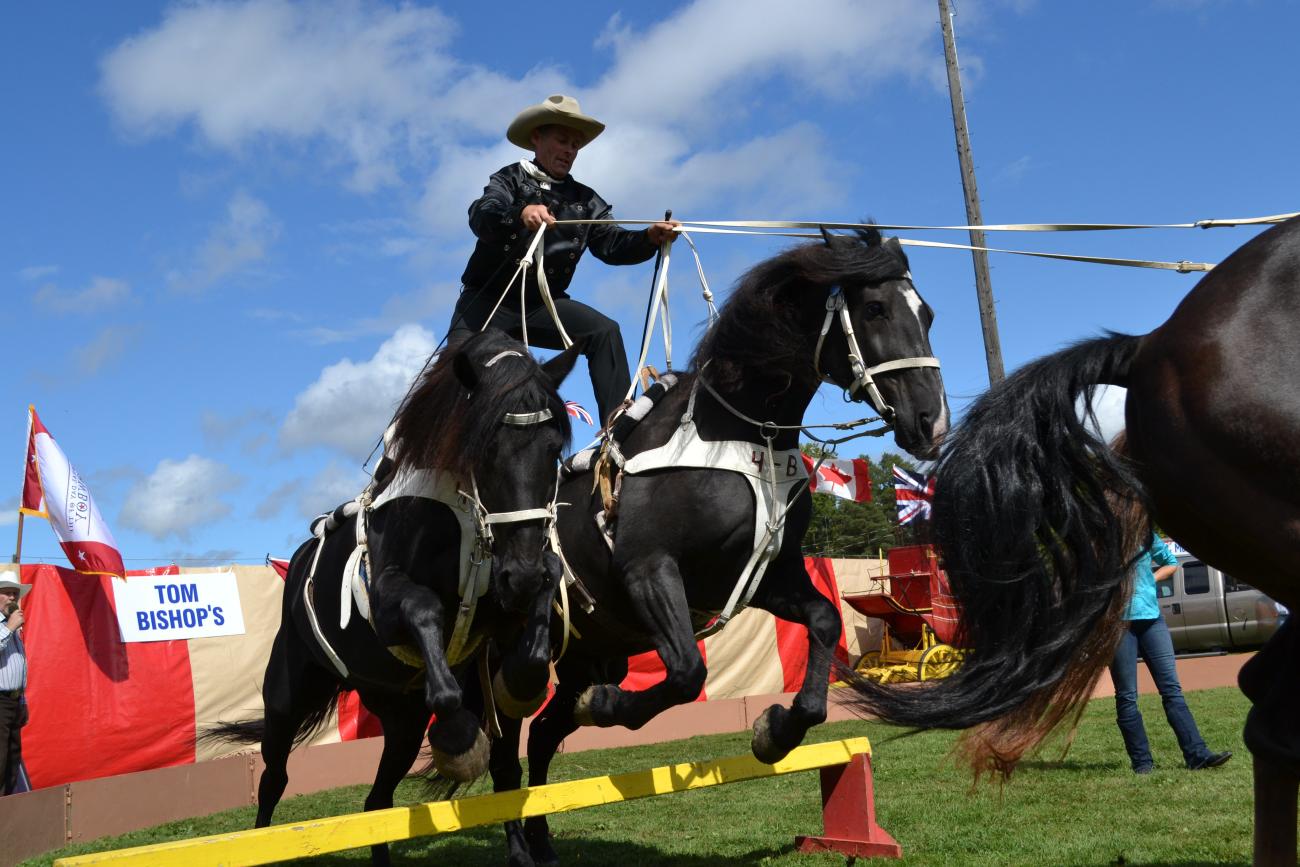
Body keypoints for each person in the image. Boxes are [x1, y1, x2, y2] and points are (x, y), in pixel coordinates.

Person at [447, 94, 679, 424]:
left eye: (575, 144)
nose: (570, 150)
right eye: (562, 140)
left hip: (543, 306)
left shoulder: (587, 202)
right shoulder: (509, 179)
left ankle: (618, 427)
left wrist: (648, 238)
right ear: (537, 139)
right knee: (451, 375)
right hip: (487, 303)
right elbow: (482, 214)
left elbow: (612, 244)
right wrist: (521, 212)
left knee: (604, 331)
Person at [1108, 534, 1232, 773]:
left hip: (1153, 621)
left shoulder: (1143, 533)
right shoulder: (1101, 537)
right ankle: (1142, 764)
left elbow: (1171, 563)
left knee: (1172, 690)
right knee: (1127, 696)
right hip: (1118, 626)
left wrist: (1149, 580)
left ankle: (1197, 755)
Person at [0, 570, 29, 795]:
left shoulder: (15, 627)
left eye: (15, 593)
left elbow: (19, 667)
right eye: (7, 593)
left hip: (14, 702)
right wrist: (9, 628)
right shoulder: (8, 626)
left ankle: (8, 817)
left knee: (12, 762)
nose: (12, 597)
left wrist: (22, 700)